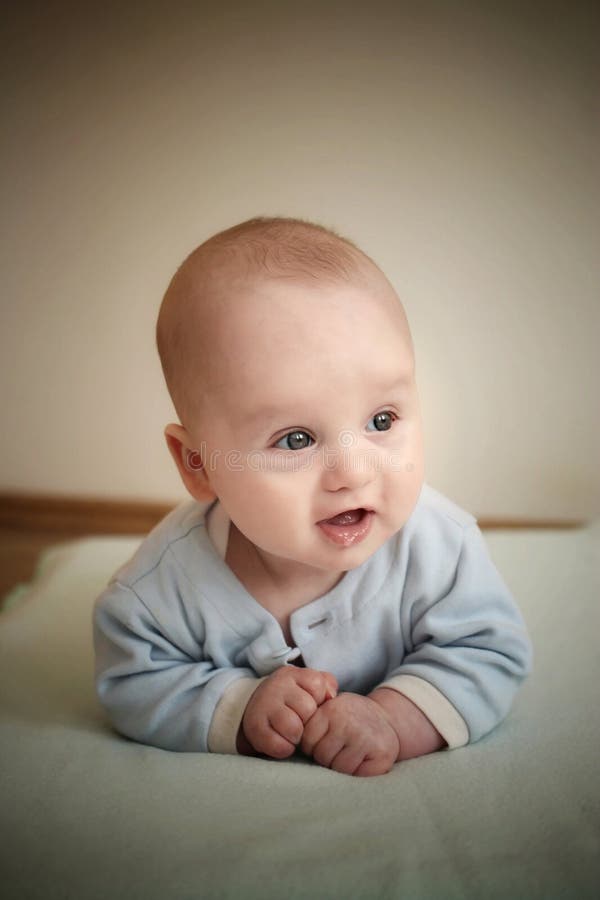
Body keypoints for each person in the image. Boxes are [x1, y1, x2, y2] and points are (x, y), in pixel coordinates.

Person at [93, 217, 532, 776]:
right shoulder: (156, 594)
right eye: (295, 439)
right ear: (197, 464)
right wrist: (240, 707)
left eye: (381, 419)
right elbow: (134, 682)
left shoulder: (442, 549)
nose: (352, 471)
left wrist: (393, 719)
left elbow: (488, 653)